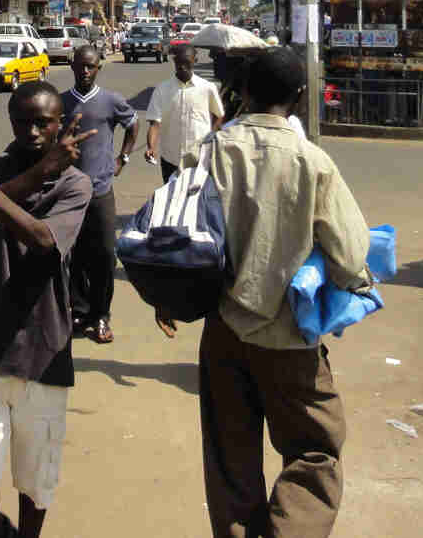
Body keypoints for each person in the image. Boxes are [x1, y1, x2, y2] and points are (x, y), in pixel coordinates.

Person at [156, 49, 371, 538]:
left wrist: (167, 301)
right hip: (291, 335)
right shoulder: (312, 162)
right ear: (297, 99)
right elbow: (351, 257)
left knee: (231, 460)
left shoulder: (208, 151)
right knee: (314, 450)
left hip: (224, 330)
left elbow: (172, 234)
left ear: (244, 93)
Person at [0, 83, 93, 538]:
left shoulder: (76, 183)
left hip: (43, 339)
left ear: (60, 123)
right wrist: (13, 178)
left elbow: (45, 241)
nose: (31, 130)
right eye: (22, 120)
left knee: (36, 469)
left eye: (42, 122)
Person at [59, 45, 137, 345]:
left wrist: (123, 158)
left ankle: (101, 314)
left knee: (104, 255)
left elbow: (133, 124)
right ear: (73, 67)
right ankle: (79, 311)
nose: (85, 71)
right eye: (80, 66)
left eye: (90, 66)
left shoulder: (111, 101)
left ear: (98, 68)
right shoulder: (62, 102)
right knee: (73, 255)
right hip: (68, 192)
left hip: (101, 190)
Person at [145, 46, 224, 181]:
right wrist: (150, 147)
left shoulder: (207, 88)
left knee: (197, 198)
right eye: (178, 63)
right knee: (170, 197)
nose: (182, 66)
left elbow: (219, 115)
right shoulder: (162, 89)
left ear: (195, 61)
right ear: (174, 62)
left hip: (198, 158)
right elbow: (155, 123)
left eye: (186, 62)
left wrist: (210, 138)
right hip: (171, 158)